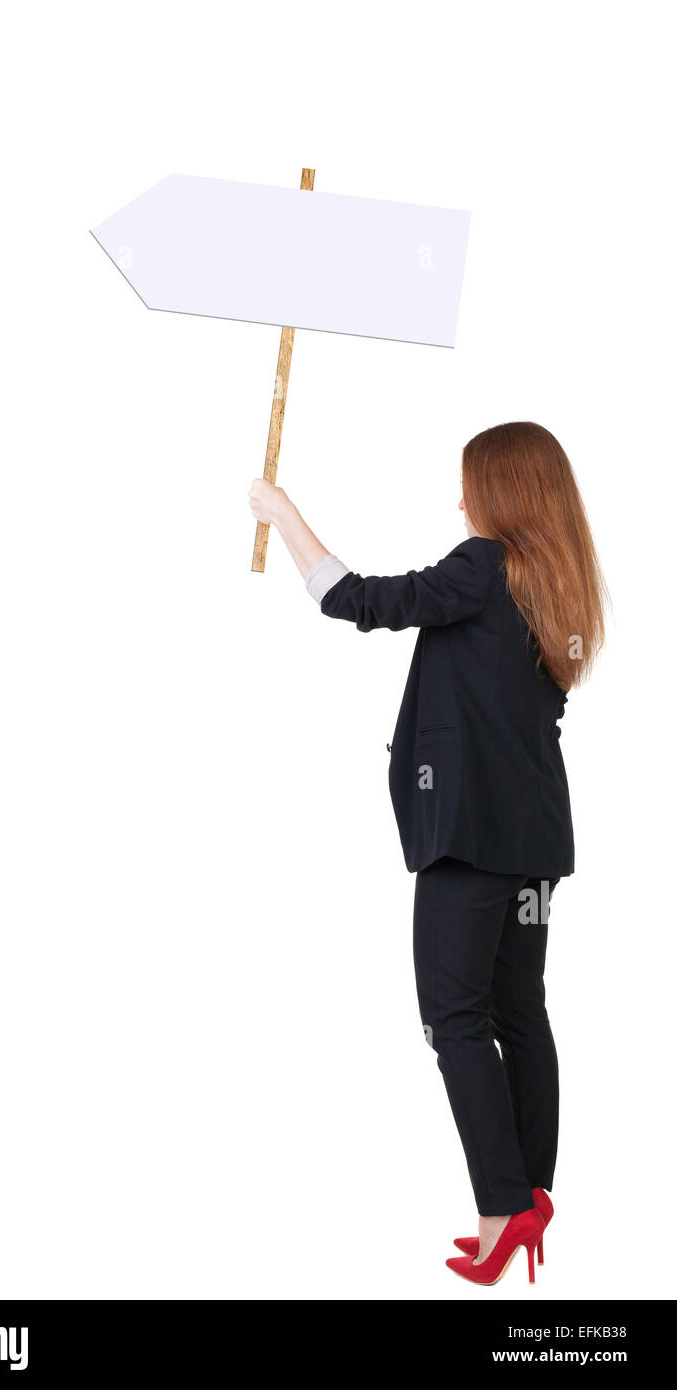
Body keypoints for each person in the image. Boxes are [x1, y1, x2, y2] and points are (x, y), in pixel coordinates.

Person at [248, 421, 608, 1286]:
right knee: (519, 1011)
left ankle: (502, 1208)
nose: (460, 500)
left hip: (473, 845)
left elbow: (364, 601)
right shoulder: (557, 586)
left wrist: (281, 510)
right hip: (533, 853)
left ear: (500, 495)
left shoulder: (482, 569)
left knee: (455, 1018)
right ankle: (531, 1192)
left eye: (469, 485)